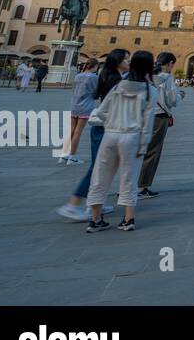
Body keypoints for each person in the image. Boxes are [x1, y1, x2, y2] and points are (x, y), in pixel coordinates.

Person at [86, 50, 158, 232]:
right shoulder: (150, 91)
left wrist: (113, 122)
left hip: (110, 134)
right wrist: (143, 146)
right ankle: (128, 219)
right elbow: (148, 123)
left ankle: (94, 220)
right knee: (129, 178)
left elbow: (101, 111)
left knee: (100, 176)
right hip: (132, 137)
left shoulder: (119, 87)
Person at [55, 50, 130, 221]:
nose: (128, 61)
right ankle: (73, 204)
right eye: (126, 58)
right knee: (97, 168)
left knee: (104, 167)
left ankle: (96, 202)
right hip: (106, 127)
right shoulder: (116, 80)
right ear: (117, 61)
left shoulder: (107, 76)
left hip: (101, 126)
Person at [137, 52, 182, 199]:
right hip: (158, 117)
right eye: (172, 64)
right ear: (169, 63)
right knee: (152, 152)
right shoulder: (166, 78)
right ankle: (142, 187)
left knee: (140, 150)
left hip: (142, 116)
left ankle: (130, 184)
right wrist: (181, 94)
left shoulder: (147, 75)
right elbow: (172, 100)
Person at [60, 60, 100, 165]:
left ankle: (64, 155)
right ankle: (72, 156)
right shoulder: (93, 77)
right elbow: (96, 91)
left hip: (74, 104)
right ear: (95, 66)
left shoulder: (78, 76)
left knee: (71, 130)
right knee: (78, 131)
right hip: (85, 105)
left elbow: (73, 90)